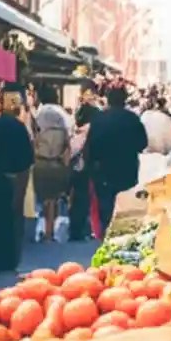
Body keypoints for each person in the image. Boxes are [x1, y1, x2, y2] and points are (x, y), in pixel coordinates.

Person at [84, 86, 148, 237]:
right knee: (125, 204)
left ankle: (107, 231)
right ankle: (122, 234)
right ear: (124, 100)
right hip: (127, 167)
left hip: (103, 169)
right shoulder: (133, 119)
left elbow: (90, 145)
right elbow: (142, 144)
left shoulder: (99, 119)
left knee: (105, 202)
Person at [0, 88, 36, 267]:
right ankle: (11, 258)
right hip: (16, 176)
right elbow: (27, 158)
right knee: (15, 218)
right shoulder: (19, 128)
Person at [32, 86, 72, 243]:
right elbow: (68, 144)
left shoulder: (38, 114)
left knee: (39, 198)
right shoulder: (64, 116)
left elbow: (33, 138)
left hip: (40, 162)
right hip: (57, 163)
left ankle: (40, 231)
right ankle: (50, 231)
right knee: (53, 199)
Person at [67, 103, 98, 241]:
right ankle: (87, 229)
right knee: (86, 201)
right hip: (90, 170)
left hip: (79, 169)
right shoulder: (93, 130)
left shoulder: (80, 132)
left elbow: (72, 151)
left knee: (79, 201)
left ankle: (77, 230)